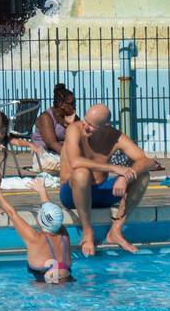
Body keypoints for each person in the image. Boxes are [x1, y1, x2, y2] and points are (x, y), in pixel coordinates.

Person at [59, 104, 155, 255]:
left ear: (105, 126)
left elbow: (148, 161)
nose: (85, 126)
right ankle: (87, 231)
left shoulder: (114, 136)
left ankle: (116, 231)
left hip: (100, 191)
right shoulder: (74, 130)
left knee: (143, 176)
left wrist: (125, 177)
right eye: (85, 121)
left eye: (91, 125)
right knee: (81, 173)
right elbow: (75, 162)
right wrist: (115, 169)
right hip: (72, 193)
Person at [0, 177, 74, 284]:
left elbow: (12, 213)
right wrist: (42, 191)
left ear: (41, 220)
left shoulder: (34, 238)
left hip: (45, 286)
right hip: (69, 280)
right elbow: (53, 216)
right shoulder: (64, 233)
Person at [32, 84, 76, 171]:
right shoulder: (46, 117)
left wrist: (71, 126)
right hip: (44, 155)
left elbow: (80, 138)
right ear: (61, 104)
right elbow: (51, 143)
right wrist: (74, 155)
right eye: (72, 104)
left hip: (61, 153)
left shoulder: (71, 116)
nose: (74, 106)